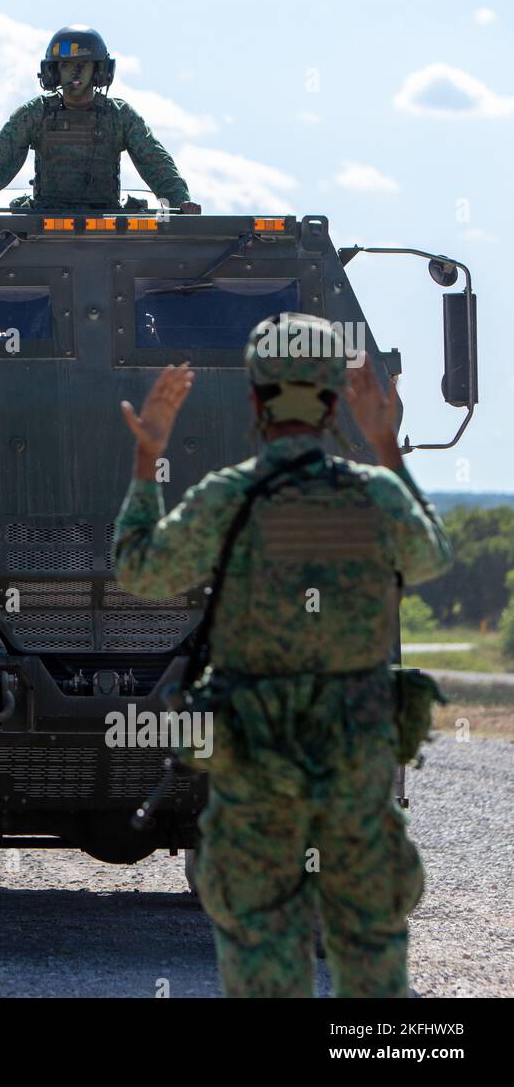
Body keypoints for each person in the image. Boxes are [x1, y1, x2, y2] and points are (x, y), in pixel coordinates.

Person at [113, 313, 453, 997]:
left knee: (263, 950)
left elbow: (140, 570)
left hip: (258, 766)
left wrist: (147, 462)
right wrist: (386, 444)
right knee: (372, 950)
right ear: (334, 404)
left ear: (253, 400)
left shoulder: (226, 497)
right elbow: (431, 556)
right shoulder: (376, 494)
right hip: (356, 760)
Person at [0, 25, 200, 215]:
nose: (75, 72)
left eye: (84, 64)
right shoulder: (37, 113)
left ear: (99, 70)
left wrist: (179, 200)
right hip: (46, 223)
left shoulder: (119, 116)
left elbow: (154, 160)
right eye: (67, 64)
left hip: (104, 222)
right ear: (54, 71)